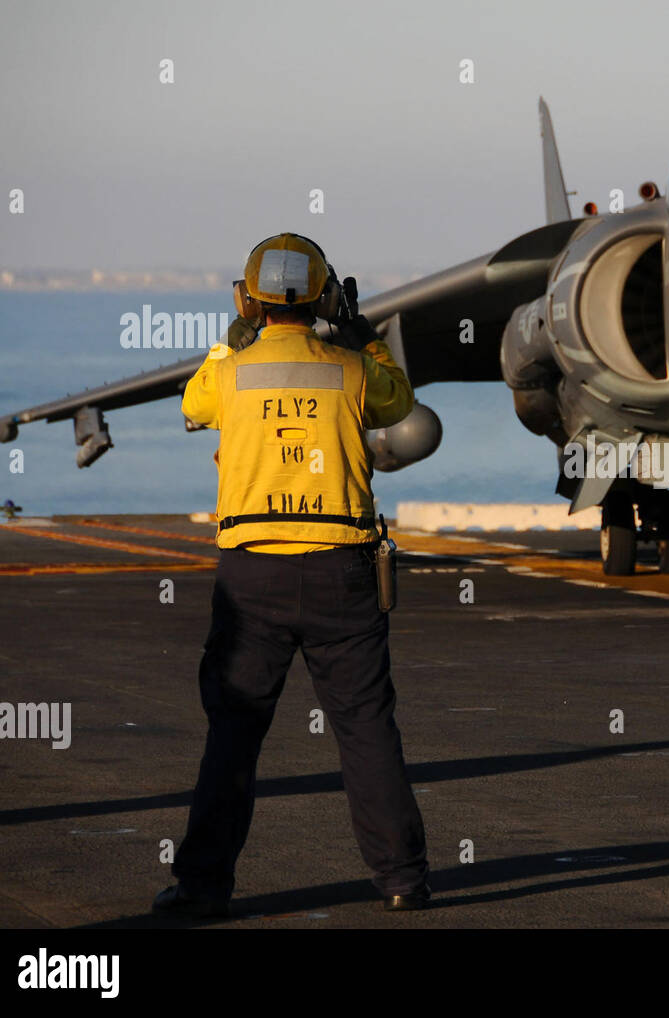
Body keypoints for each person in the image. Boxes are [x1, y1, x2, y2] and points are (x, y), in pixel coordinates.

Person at [153, 233, 429, 917]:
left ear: (249, 300)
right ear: (325, 298)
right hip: (343, 571)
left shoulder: (230, 372)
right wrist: (365, 335)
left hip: (252, 580)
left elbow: (192, 406)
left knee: (235, 731)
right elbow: (398, 406)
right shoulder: (353, 370)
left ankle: (203, 888)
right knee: (366, 728)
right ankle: (401, 879)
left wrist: (231, 337)